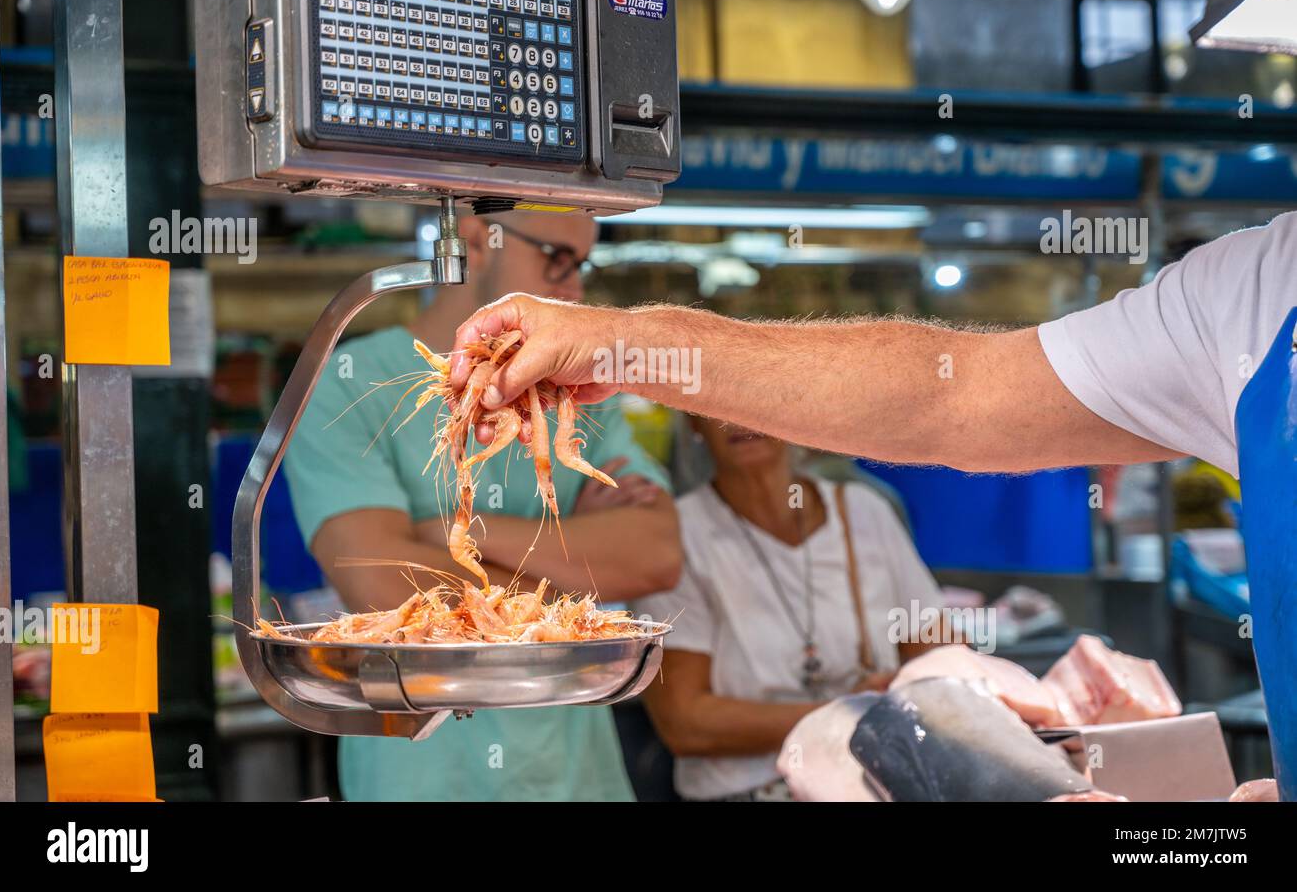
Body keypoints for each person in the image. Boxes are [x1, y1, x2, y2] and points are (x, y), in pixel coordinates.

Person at [450, 212, 1297, 800]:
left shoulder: (864, 515)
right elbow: (951, 392)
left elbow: (930, 653)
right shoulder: (1247, 293)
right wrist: (622, 343)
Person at [284, 211, 681, 802]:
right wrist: (578, 565)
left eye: (582, 265)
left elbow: (656, 552)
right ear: (473, 233)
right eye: (556, 258)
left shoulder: (576, 390)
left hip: (578, 778)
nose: (573, 290)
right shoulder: (347, 382)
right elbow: (377, 583)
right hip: (421, 777)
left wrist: (450, 532)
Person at [636, 417, 945, 801]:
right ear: (692, 421)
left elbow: (940, 653)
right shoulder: (677, 538)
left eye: (752, 394)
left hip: (872, 782)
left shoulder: (864, 512)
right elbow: (685, 722)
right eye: (713, 400)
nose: (735, 416)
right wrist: (847, 713)